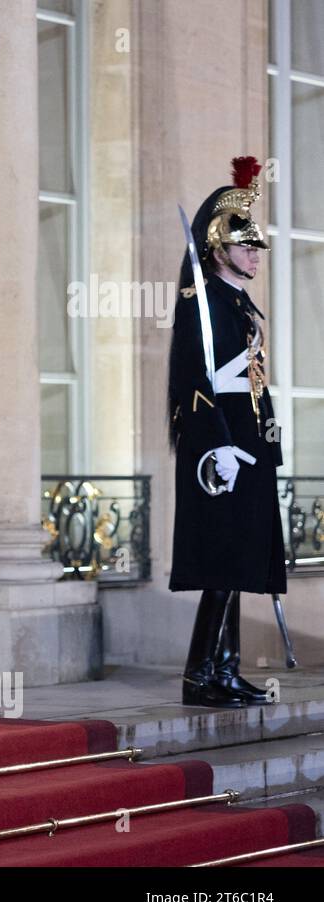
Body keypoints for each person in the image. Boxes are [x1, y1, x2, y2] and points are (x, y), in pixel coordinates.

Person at [168, 156, 281, 709]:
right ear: (217, 247)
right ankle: (199, 675)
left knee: (236, 563)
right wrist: (218, 444)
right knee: (219, 564)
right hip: (220, 449)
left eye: (258, 247)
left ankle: (226, 670)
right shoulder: (203, 299)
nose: (254, 254)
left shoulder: (236, 300)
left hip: (248, 445)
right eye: (245, 246)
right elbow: (192, 377)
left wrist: (266, 441)